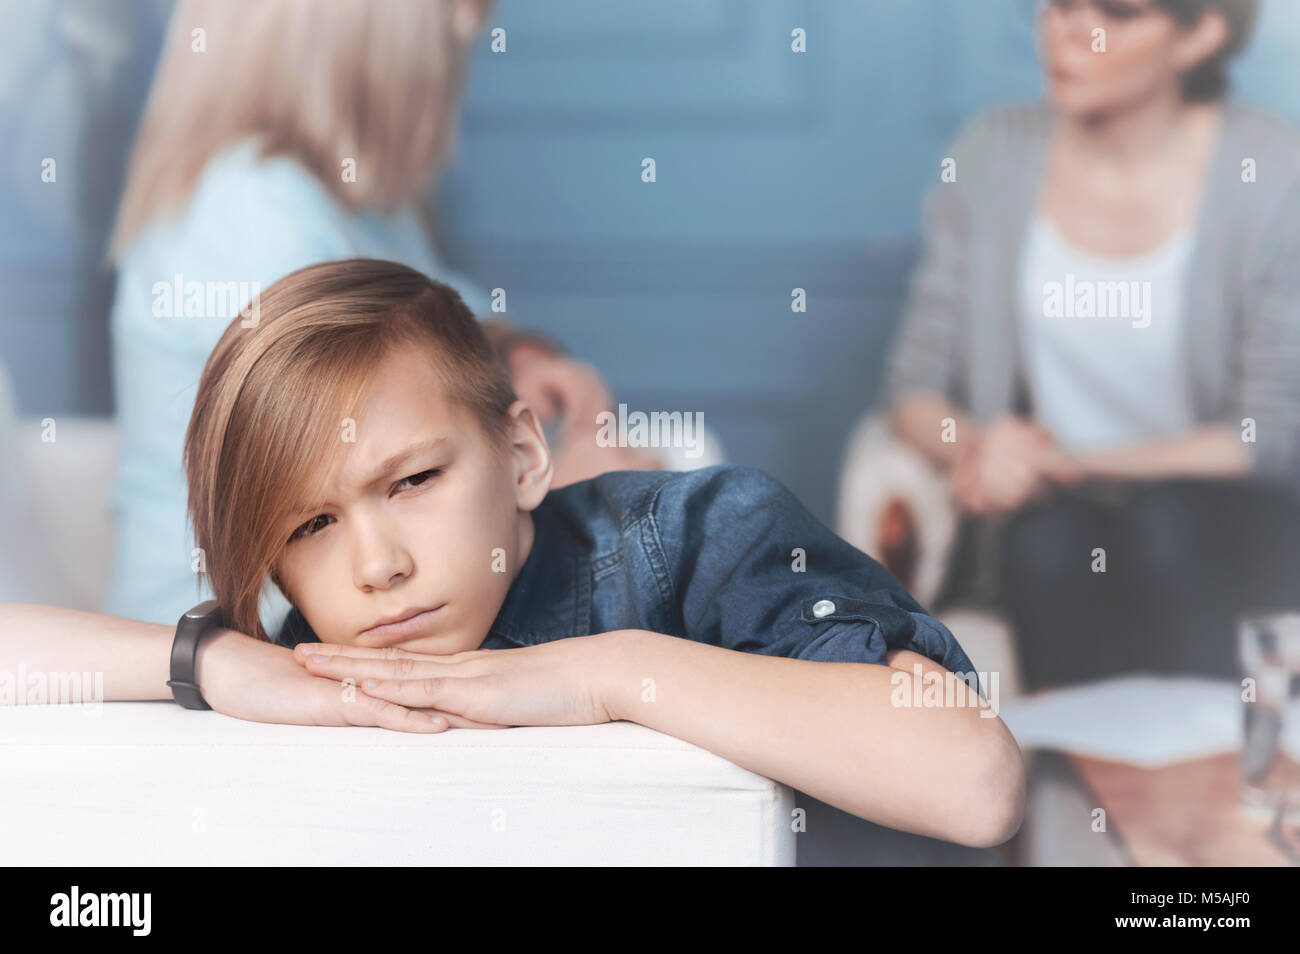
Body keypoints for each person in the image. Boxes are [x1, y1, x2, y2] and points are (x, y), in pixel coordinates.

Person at [1, 258, 1025, 852]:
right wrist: (218, 659)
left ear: (524, 451)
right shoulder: (324, 647)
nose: (376, 565)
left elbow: (974, 781)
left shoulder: (701, 532)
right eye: (308, 526)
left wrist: (604, 670)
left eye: (412, 482)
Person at [103, 0, 658, 635]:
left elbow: (430, 317)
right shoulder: (253, 213)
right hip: (243, 631)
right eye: (441, 48)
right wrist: (579, 502)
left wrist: (523, 352)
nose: (445, 80)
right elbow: (335, 458)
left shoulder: (357, 199)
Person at [880, 0, 1300, 690]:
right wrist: (982, 448)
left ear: (1200, 35)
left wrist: (1064, 460)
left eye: (1116, 11)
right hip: (1050, 515)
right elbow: (914, 389)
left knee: (1164, 525)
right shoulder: (993, 152)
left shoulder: (1274, 171)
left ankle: (1197, 777)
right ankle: (1078, 785)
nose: (1068, 30)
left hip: (1215, 517)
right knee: (1047, 538)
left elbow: (1267, 436)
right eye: (1060, 3)